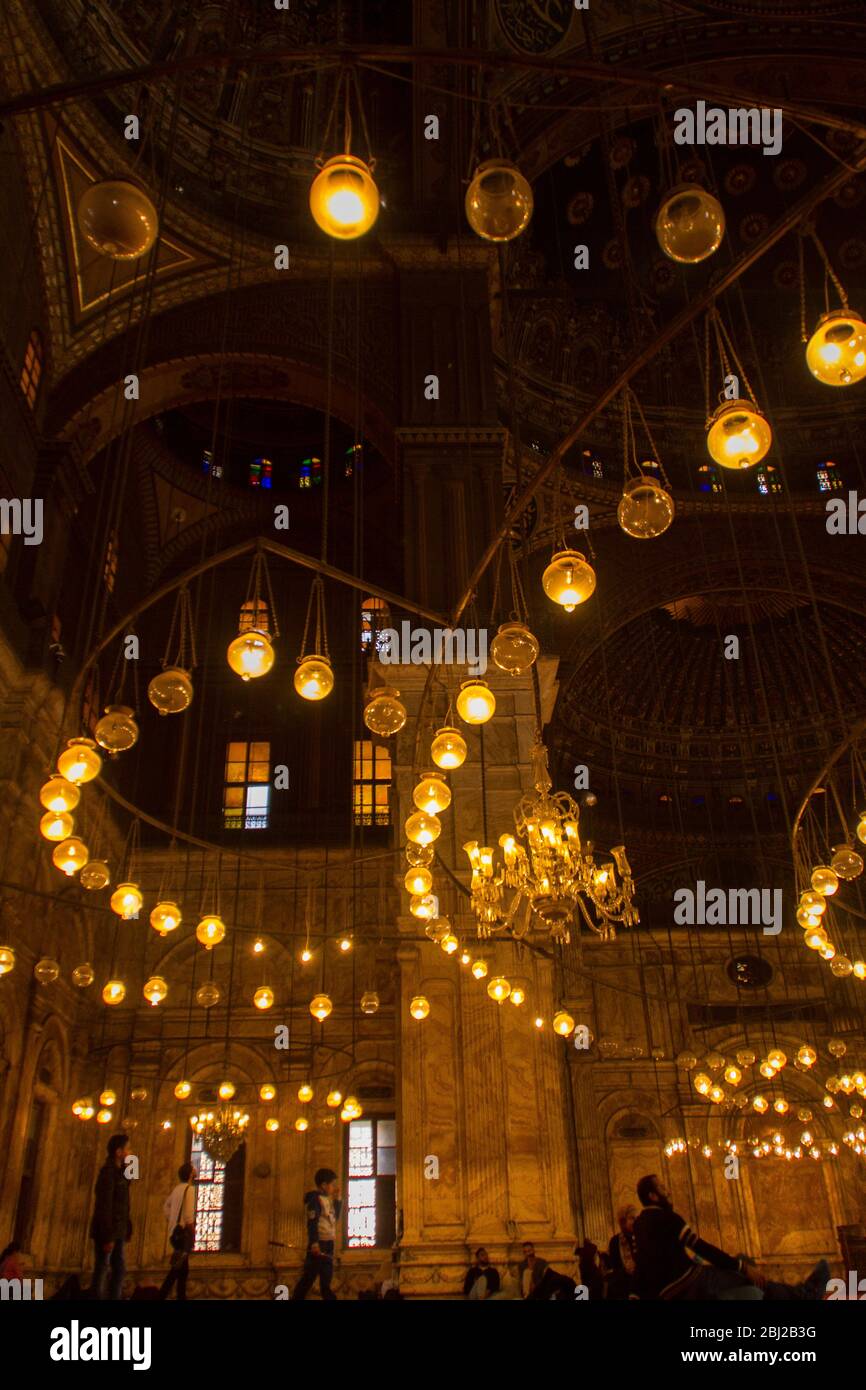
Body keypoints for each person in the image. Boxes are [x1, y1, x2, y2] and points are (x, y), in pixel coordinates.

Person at [633, 1174, 829, 1301]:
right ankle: (804, 1295)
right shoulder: (667, 1218)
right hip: (689, 1281)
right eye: (662, 1187)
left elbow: (640, 1264)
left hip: (666, 1292)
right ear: (653, 1196)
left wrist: (636, 1295)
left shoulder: (639, 1223)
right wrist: (743, 1269)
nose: (668, 1190)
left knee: (741, 1268)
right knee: (750, 1278)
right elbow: (702, 1248)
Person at [89, 1133, 132, 1301]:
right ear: (118, 1151)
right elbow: (104, 1206)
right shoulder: (107, 1174)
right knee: (102, 1268)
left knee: (118, 1269)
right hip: (109, 1231)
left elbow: (132, 1181)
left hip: (118, 1230)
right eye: (128, 1149)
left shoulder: (120, 1173)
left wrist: (130, 1163)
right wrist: (107, 1236)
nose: (131, 1152)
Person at [291, 1168, 342, 1301]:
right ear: (324, 1185)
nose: (334, 1187)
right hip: (319, 1243)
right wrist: (314, 1242)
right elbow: (312, 1222)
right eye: (332, 1184)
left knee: (326, 1279)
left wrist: (338, 1200)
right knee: (309, 1278)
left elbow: (335, 1218)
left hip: (329, 1243)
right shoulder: (315, 1200)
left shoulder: (329, 1199)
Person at [158, 1161, 196, 1301]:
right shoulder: (189, 1190)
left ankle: (181, 1296)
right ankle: (161, 1295)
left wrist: (173, 1221)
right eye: (194, 1169)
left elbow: (166, 1207)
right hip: (183, 1234)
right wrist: (192, 1231)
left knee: (182, 1269)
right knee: (176, 1269)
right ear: (190, 1173)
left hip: (174, 1233)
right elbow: (188, 1216)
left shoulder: (177, 1189)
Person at [606, 1205, 639, 1299]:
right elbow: (614, 1268)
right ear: (623, 1221)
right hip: (623, 1288)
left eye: (637, 1218)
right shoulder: (615, 1241)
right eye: (632, 1218)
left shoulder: (642, 1237)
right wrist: (625, 1270)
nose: (635, 1221)